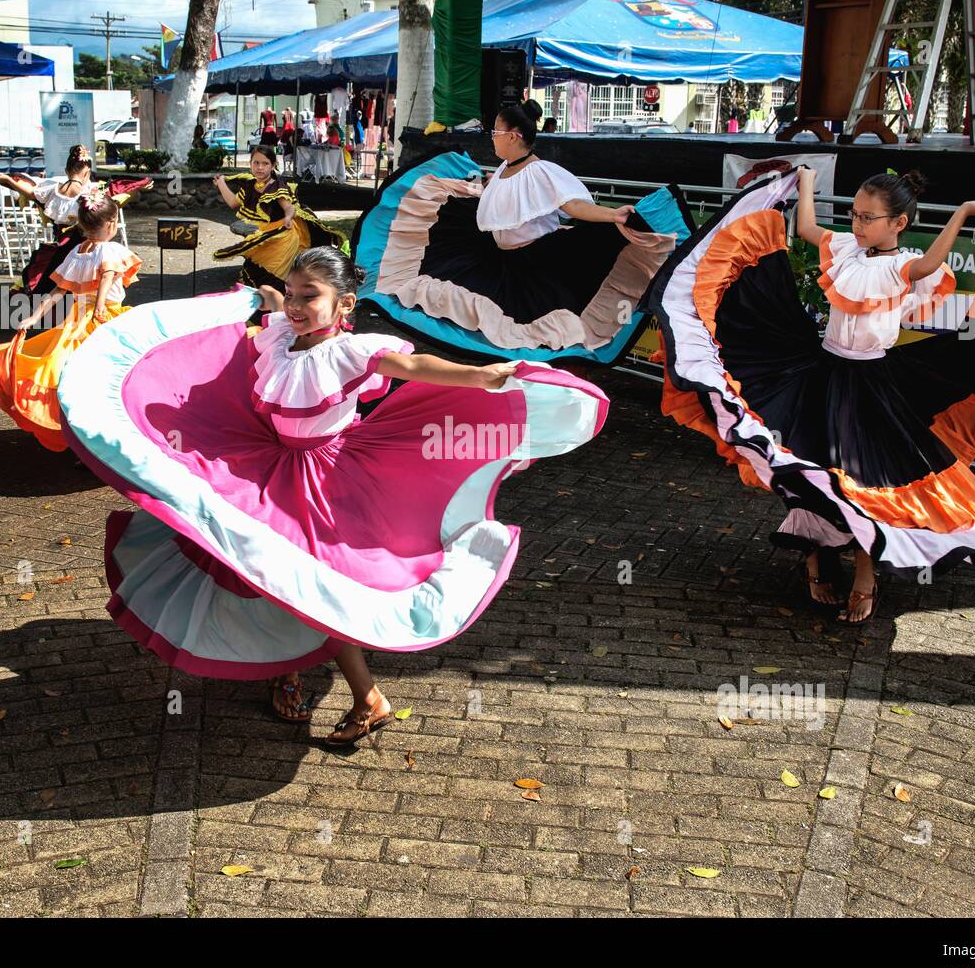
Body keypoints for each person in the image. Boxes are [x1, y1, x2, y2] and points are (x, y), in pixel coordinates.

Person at [56, 247, 610, 744]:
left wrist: (483, 376)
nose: (296, 305)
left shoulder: (350, 351)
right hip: (265, 461)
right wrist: (246, 298)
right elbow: (263, 308)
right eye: (294, 293)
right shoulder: (279, 333)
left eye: (310, 297)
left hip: (323, 478)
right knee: (255, 566)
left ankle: (364, 694)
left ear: (344, 304)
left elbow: (416, 366)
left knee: (315, 581)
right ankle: (293, 672)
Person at [646, 165, 975, 624]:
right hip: (821, 373)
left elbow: (930, 265)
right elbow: (809, 227)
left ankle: (865, 574)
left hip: (873, 385)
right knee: (807, 466)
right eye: (855, 214)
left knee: (868, 480)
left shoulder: (902, 265)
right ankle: (815, 560)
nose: (857, 224)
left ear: (899, 223)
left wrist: (963, 213)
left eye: (869, 217)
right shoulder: (846, 250)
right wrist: (807, 182)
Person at [352, 98, 692, 365]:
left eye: (496, 133)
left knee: (534, 330)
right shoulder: (504, 168)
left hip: (536, 262)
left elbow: (572, 206)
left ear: (514, 136)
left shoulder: (543, 171)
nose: (493, 139)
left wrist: (611, 214)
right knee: (445, 286)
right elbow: (502, 205)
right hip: (498, 257)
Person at [0, 192, 142, 452]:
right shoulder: (111, 250)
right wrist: (99, 307)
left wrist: (33, 316)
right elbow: (108, 275)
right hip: (105, 317)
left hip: (75, 322)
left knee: (70, 373)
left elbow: (57, 292)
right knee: (120, 375)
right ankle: (109, 437)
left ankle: (83, 438)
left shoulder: (77, 252)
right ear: (112, 223)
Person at [0, 144, 148, 295]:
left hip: (60, 247)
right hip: (85, 246)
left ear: (67, 171)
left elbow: (31, 193)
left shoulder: (51, 190)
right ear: (87, 173)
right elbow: (117, 192)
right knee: (85, 283)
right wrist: (137, 186)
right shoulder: (91, 194)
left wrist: (10, 182)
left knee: (58, 283)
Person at [212, 143, 345, 293]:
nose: (260, 167)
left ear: (273, 165)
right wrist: (221, 183)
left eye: (265, 163)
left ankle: (277, 307)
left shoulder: (276, 187)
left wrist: (288, 217)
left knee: (275, 275)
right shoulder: (250, 185)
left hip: (282, 237)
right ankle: (262, 306)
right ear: (250, 164)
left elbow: (289, 207)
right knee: (255, 269)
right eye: (256, 163)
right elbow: (233, 203)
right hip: (265, 235)